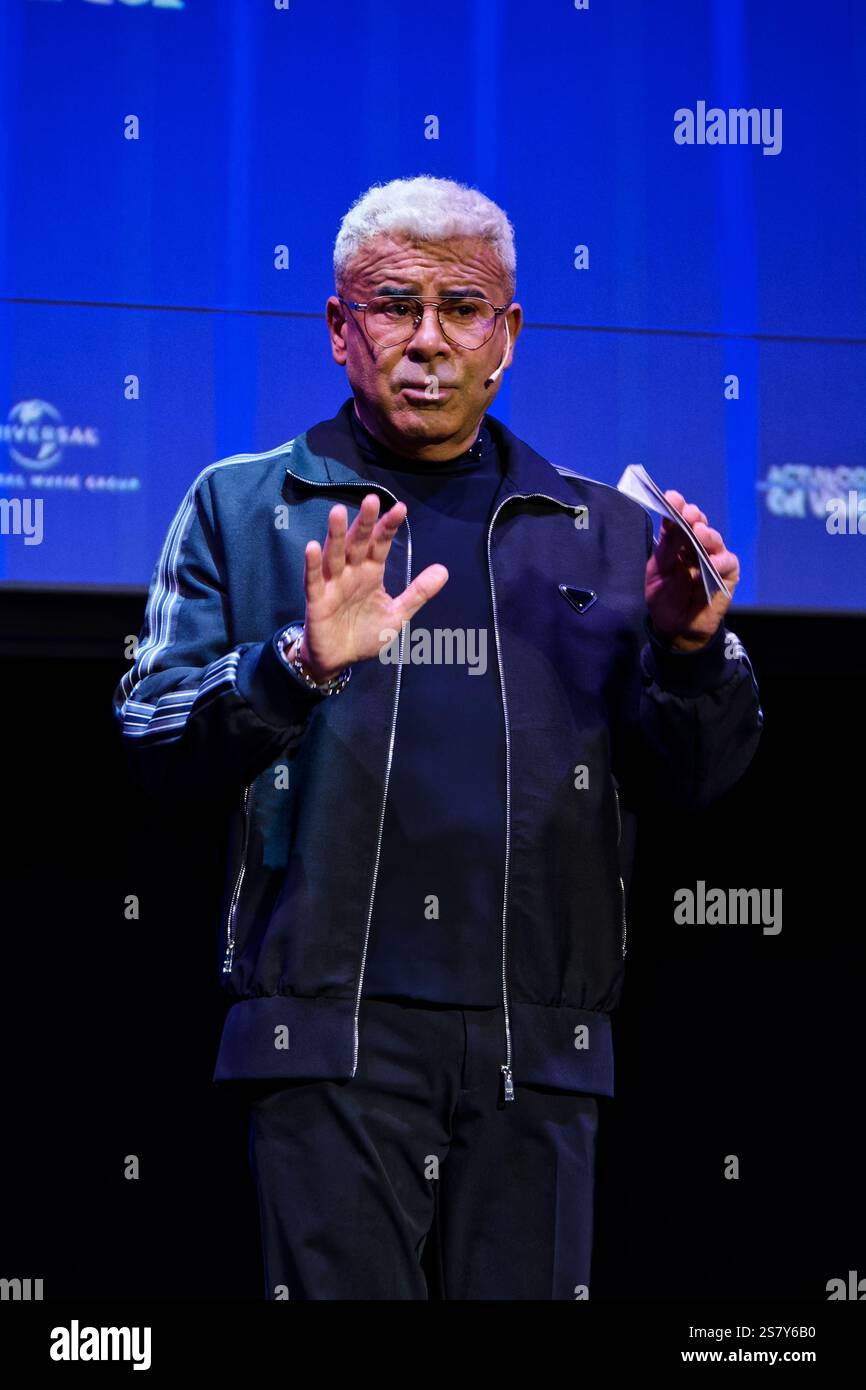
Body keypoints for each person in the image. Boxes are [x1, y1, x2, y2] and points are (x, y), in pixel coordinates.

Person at [112, 175, 763, 1300]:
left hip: (539, 1053)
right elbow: (151, 734)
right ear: (336, 328)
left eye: (460, 308)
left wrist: (690, 650)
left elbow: (698, 776)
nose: (426, 340)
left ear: (506, 334)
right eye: (391, 305)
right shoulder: (242, 504)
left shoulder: (605, 536)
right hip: (323, 1043)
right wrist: (296, 663)